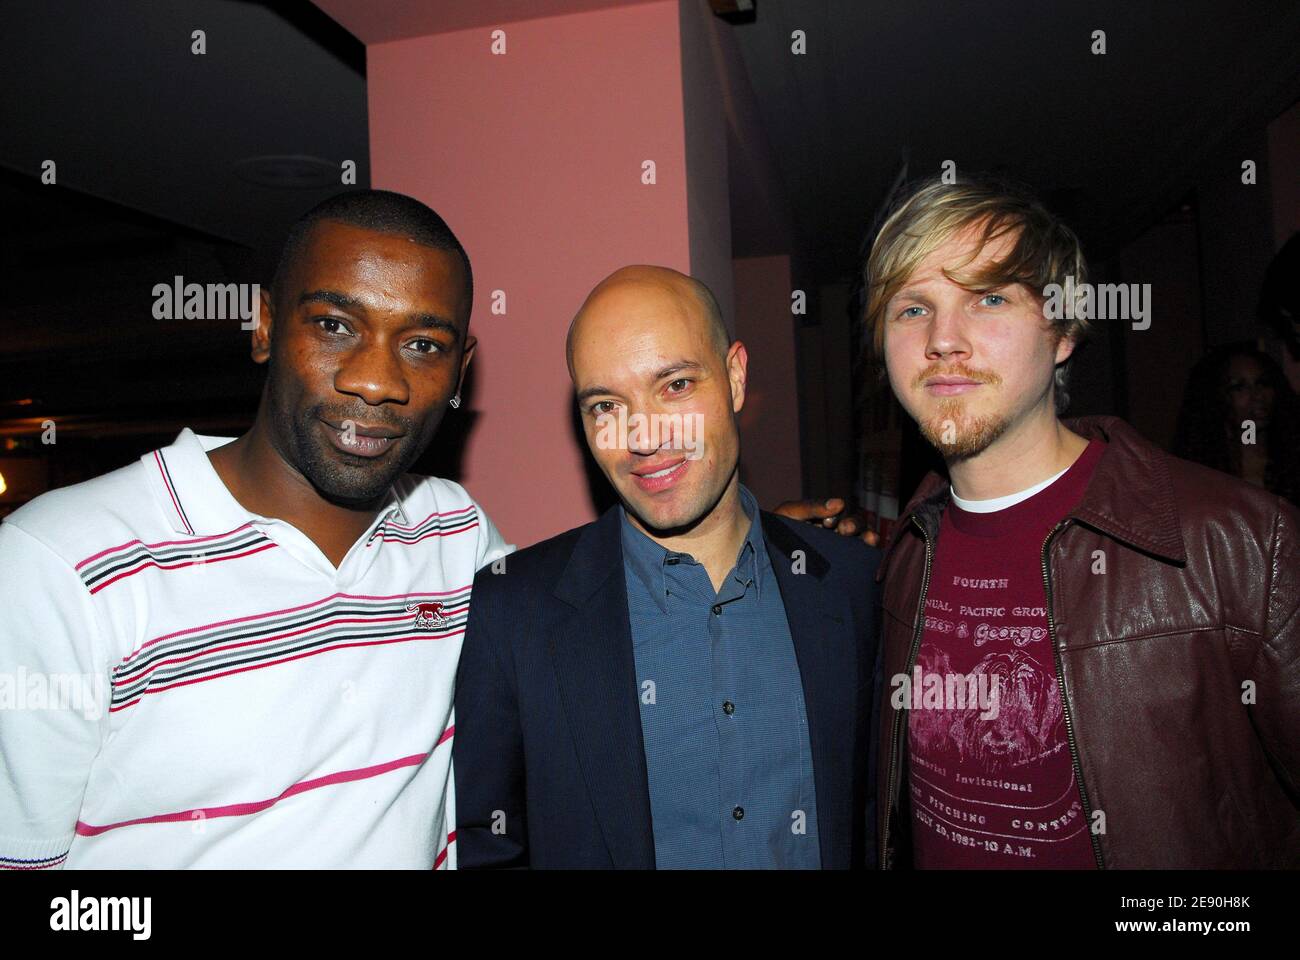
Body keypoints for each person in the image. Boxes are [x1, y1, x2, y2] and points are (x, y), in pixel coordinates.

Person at [0, 190, 510, 869]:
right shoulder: (61, 564)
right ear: (265, 326)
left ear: (459, 372)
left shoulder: (455, 534)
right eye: (335, 325)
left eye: (421, 344)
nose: (375, 381)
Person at [863, 175, 1298, 868]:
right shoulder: (903, 559)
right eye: (912, 309)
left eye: (990, 298)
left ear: (1064, 331)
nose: (943, 340)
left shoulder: (1241, 542)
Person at [453, 265, 882, 868]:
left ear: (735, 378)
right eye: (606, 405)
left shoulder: (853, 584)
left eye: (675, 386)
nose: (643, 436)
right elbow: (487, 845)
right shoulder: (511, 611)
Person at [1173, 342, 1300, 506]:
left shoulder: (1292, 463)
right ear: (1216, 397)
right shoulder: (1200, 473)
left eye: (1262, 383)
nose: (1258, 395)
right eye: (1239, 387)